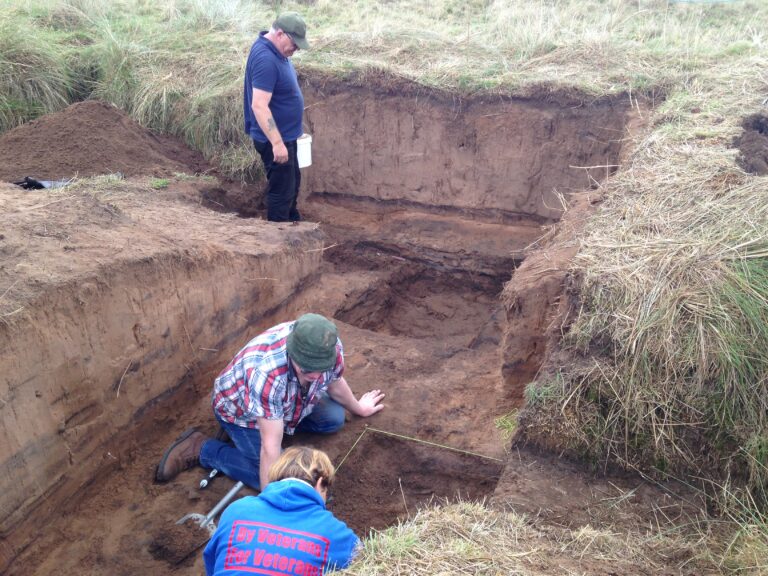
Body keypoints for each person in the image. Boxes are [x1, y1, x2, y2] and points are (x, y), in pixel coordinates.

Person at [156, 313, 385, 490]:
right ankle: (203, 449)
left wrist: (359, 408)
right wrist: (271, 499)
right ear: (293, 353)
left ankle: (262, 432)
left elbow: (334, 382)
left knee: (333, 420)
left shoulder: (328, 347)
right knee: (281, 478)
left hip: (286, 403)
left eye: (320, 370)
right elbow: (270, 447)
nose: (316, 376)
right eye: (307, 370)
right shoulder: (269, 373)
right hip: (239, 411)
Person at [203, 447, 359, 575]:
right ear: (319, 484)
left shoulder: (236, 510)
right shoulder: (336, 533)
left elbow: (212, 560)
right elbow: (368, 563)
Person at [245, 12, 309, 222]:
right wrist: (277, 143)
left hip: (286, 136)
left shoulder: (277, 52)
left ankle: (291, 223)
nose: (296, 49)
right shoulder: (266, 59)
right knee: (282, 192)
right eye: (295, 44)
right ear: (280, 34)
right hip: (275, 140)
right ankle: (278, 235)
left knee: (292, 184)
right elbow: (259, 105)